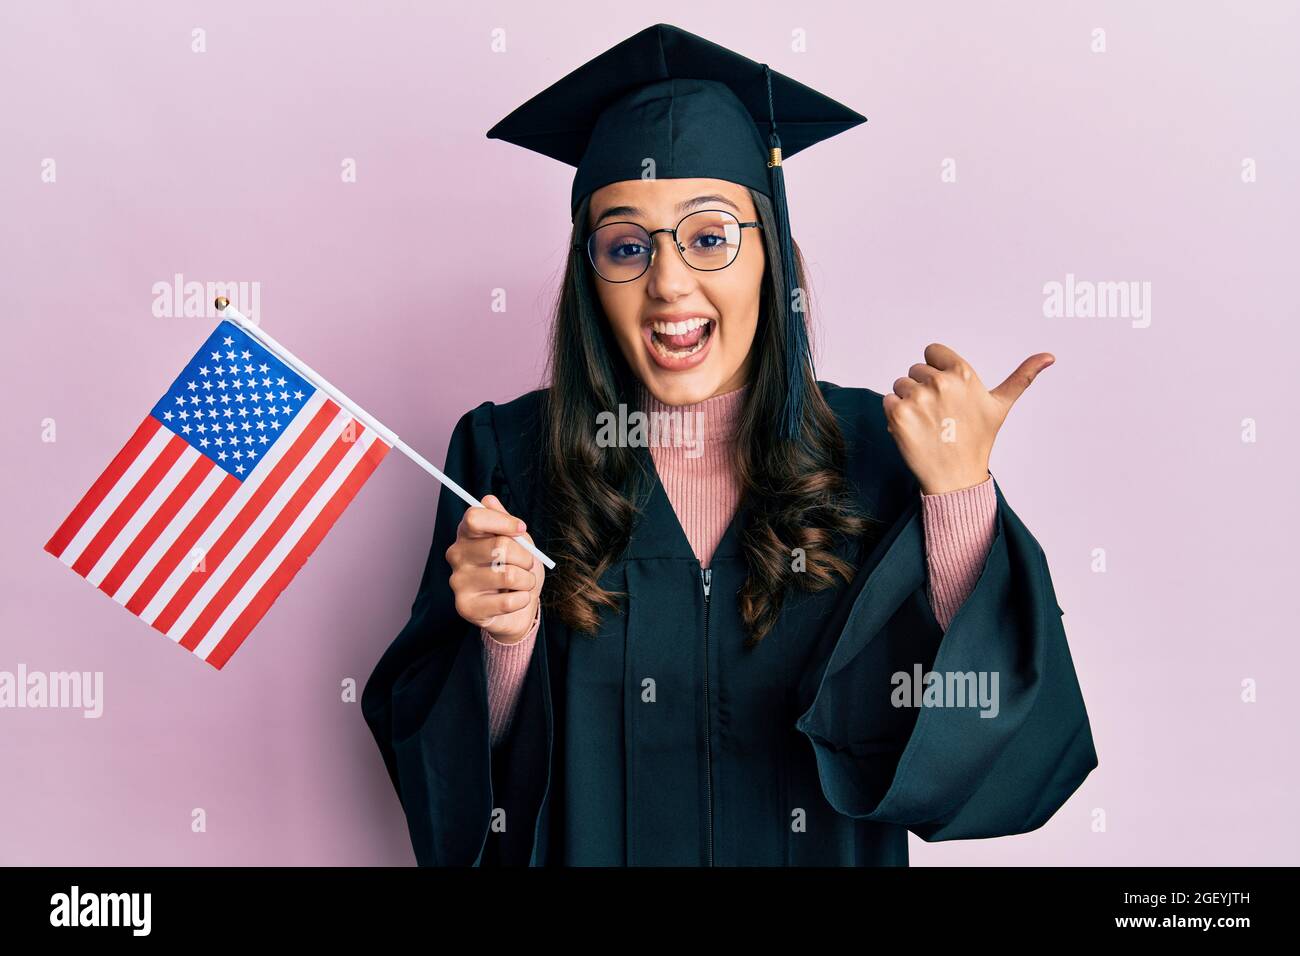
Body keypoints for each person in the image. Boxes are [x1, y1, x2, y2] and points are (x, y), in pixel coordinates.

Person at [361, 23, 1098, 866]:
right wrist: (503, 640)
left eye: (710, 237)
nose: (669, 280)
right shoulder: (508, 458)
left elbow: (999, 756)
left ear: (769, 256)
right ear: (589, 274)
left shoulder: (880, 452)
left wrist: (959, 498)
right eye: (626, 246)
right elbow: (447, 791)